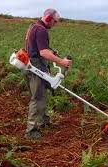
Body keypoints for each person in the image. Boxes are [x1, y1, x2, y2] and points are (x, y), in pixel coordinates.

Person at [24, 8, 72, 139]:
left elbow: (40, 48)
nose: (54, 24)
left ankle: (43, 120)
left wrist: (51, 52)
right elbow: (43, 53)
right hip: (36, 67)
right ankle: (32, 131)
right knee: (37, 98)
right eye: (55, 22)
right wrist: (62, 61)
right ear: (48, 19)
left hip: (32, 65)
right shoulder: (41, 30)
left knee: (41, 94)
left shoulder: (33, 26)